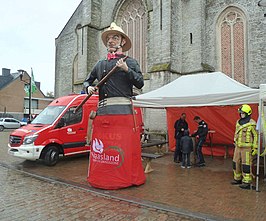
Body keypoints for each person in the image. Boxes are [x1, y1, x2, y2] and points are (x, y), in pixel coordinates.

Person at [83, 22, 145, 189]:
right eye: (109, 38)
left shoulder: (130, 62)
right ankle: (102, 177)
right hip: (102, 114)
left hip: (123, 114)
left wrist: (126, 69)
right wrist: (88, 87)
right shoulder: (99, 64)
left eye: (115, 37)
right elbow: (87, 81)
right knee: (103, 149)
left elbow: (140, 83)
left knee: (122, 148)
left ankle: (125, 178)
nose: (111, 41)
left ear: (122, 41)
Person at [231, 104, 258, 190]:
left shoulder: (252, 124)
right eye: (241, 113)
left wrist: (255, 148)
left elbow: (256, 136)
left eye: (243, 113)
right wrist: (235, 141)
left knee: (246, 164)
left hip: (247, 148)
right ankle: (237, 178)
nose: (241, 114)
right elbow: (236, 133)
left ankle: (246, 181)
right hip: (237, 147)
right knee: (235, 163)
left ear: (248, 113)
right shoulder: (238, 122)